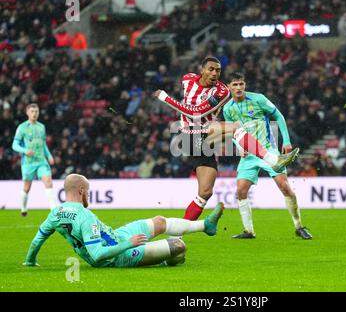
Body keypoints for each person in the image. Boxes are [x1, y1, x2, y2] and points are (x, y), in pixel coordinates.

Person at [153, 56, 300, 221]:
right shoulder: (187, 79)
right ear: (202, 70)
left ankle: (179, 231)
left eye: (218, 70)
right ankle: (273, 160)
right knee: (236, 126)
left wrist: (165, 97)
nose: (214, 73)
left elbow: (197, 113)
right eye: (211, 69)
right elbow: (189, 109)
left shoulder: (221, 91)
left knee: (205, 193)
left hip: (205, 135)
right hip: (190, 137)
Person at [23, 174, 225, 268]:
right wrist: (129, 244)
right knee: (178, 246)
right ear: (82, 191)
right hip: (119, 255)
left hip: (116, 236)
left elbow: (37, 240)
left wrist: (30, 260)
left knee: (160, 221)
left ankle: (205, 226)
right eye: (89, 192)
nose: (89, 196)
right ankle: (162, 262)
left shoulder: (55, 213)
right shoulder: (85, 217)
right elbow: (97, 255)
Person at [223, 72, 312, 239]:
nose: (239, 88)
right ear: (229, 87)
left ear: (245, 85)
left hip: (268, 150)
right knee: (241, 190)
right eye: (235, 84)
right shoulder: (227, 109)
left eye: (241, 84)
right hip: (248, 155)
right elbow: (231, 132)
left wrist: (286, 140)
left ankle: (299, 226)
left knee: (284, 187)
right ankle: (249, 231)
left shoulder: (258, 99)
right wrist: (237, 146)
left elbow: (278, 115)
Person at [12, 104, 57, 216]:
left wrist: (49, 156)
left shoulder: (41, 127)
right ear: (27, 112)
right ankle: (23, 208)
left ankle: (54, 211)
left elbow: (43, 144)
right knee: (27, 187)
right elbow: (14, 145)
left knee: (48, 182)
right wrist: (25, 150)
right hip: (28, 162)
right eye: (32, 111)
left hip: (41, 161)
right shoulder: (22, 127)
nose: (34, 113)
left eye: (36, 111)